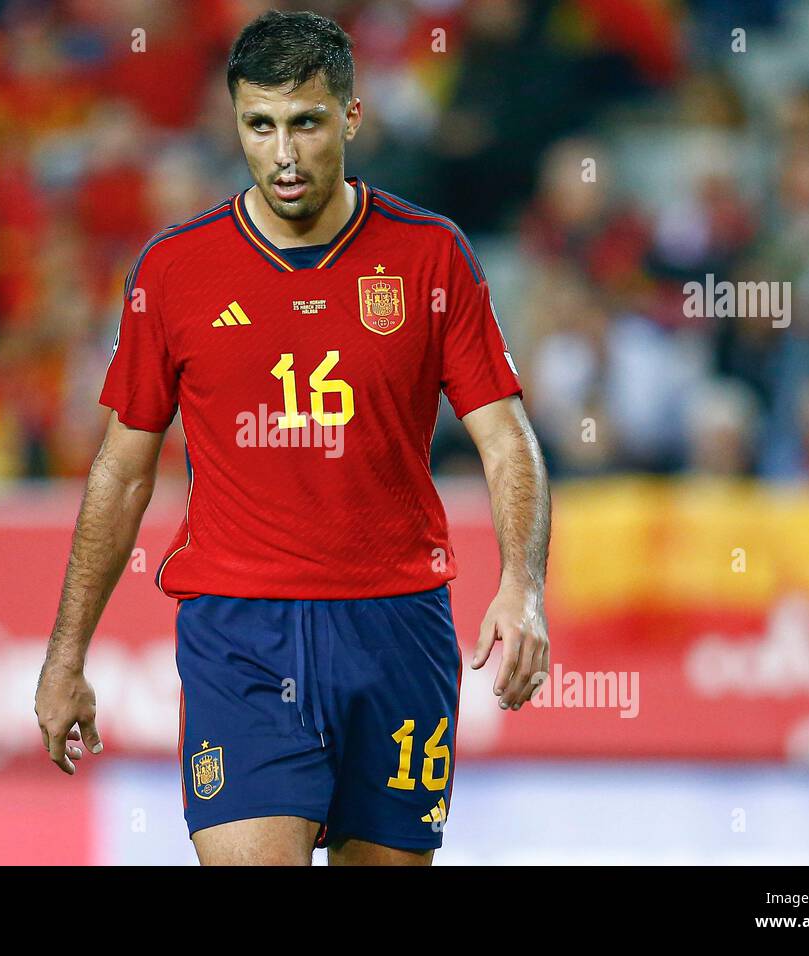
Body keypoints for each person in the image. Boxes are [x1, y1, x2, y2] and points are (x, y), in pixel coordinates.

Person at [35, 10, 551, 866]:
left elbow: (507, 439)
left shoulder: (431, 257)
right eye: (259, 125)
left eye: (305, 123)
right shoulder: (173, 270)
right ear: (234, 121)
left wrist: (522, 586)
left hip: (397, 628)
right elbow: (122, 472)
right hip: (240, 629)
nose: (283, 153)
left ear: (350, 117)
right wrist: (66, 657)